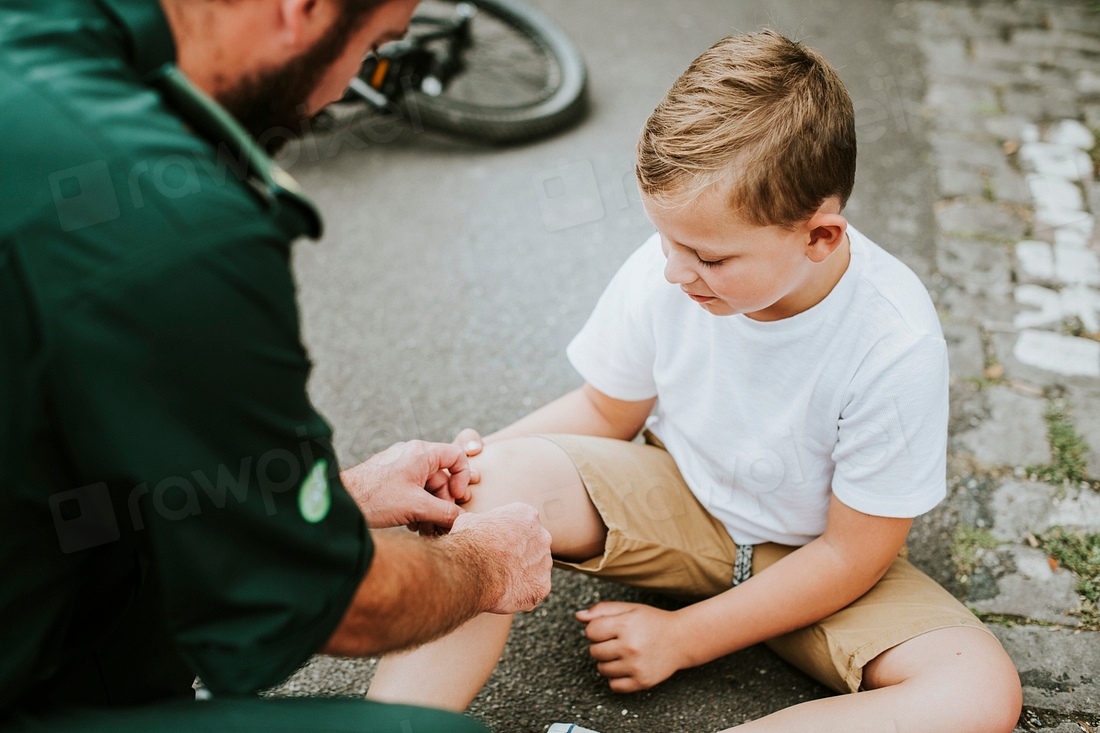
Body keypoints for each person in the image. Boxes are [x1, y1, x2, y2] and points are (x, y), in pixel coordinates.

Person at [365, 30, 1024, 733]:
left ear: (820, 237)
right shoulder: (671, 269)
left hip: (813, 562)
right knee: (488, 484)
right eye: (666, 240)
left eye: (708, 256)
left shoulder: (894, 339)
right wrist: (471, 465)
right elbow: (603, 408)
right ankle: (388, 730)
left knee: (977, 690)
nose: (677, 272)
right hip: (675, 499)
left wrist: (684, 637)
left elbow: (852, 553)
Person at [0, 0, 553, 731]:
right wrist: (489, 562)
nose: (341, 95)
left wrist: (332, 498)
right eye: (374, 47)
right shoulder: (175, 226)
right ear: (304, 9)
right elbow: (336, 607)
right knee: (433, 732)